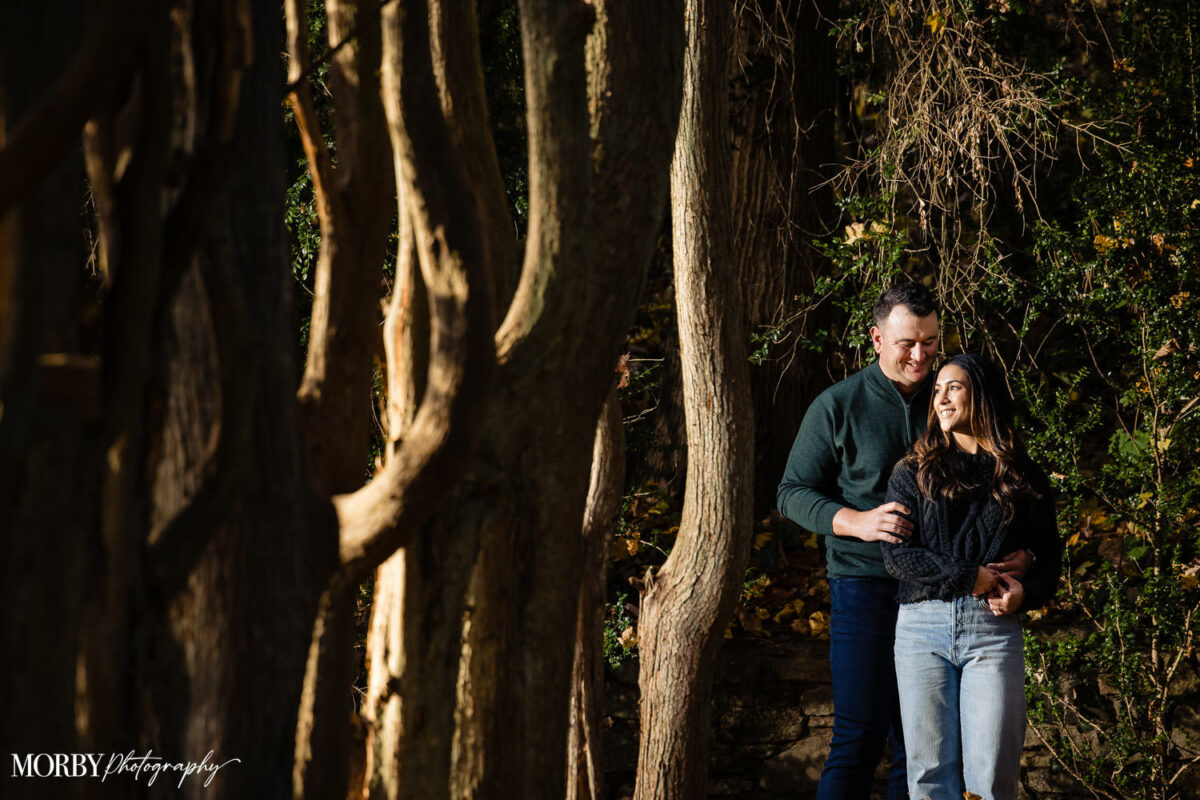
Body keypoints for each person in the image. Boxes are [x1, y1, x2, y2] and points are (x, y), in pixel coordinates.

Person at [776, 280, 939, 800]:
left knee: (919, 745)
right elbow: (791, 493)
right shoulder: (837, 405)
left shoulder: (952, 397)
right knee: (858, 737)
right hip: (863, 585)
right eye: (907, 343)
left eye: (930, 342)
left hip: (937, 589)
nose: (920, 356)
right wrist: (856, 521)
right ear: (876, 338)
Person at [882, 353, 1062, 800]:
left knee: (993, 774)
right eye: (937, 390)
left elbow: (1051, 559)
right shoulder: (912, 471)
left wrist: (1024, 593)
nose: (941, 398)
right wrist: (968, 576)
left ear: (981, 396)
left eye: (954, 388)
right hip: (921, 629)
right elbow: (897, 557)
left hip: (993, 631)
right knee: (928, 776)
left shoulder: (1021, 474)